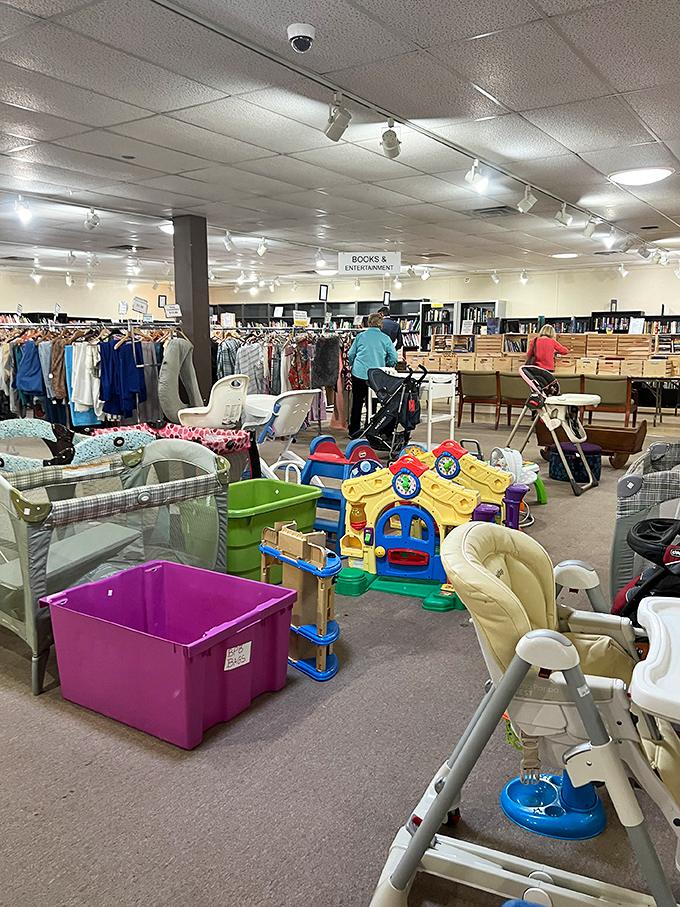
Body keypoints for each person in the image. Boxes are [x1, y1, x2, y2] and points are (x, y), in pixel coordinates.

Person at [348, 313, 398, 437]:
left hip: (358, 373)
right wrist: (389, 366)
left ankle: (354, 431)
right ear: (381, 324)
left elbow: (351, 353)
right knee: (374, 402)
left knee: (357, 402)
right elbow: (394, 357)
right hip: (376, 377)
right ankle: (370, 429)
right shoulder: (385, 338)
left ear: (369, 323)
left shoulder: (360, 336)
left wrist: (352, 364)